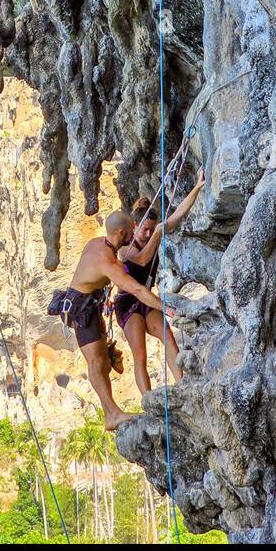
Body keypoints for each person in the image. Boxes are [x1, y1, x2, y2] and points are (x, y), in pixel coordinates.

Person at [48, 210, 175, 430]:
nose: (133, 234)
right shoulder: (108, 261)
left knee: (104, 361)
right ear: (120, 232)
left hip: (90, 303)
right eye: (131, 231)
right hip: (80, 308)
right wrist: (166, 308)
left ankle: (112, 413)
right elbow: (136, 289)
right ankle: (112, 414)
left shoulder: (99, 243)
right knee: (97, 362)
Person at [114, 167, 206, 396]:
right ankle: (147, 399)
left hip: (148, 299)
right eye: (144, 230)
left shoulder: (153, 234)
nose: (147, 234)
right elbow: (143, 261)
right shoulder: (126, 249)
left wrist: (197, 186)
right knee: (140, 353)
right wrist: (157, 234)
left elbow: (179, 215)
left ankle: (183, 386)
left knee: (167, 335)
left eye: (151, 230)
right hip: (127, 302)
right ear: (134, 228)